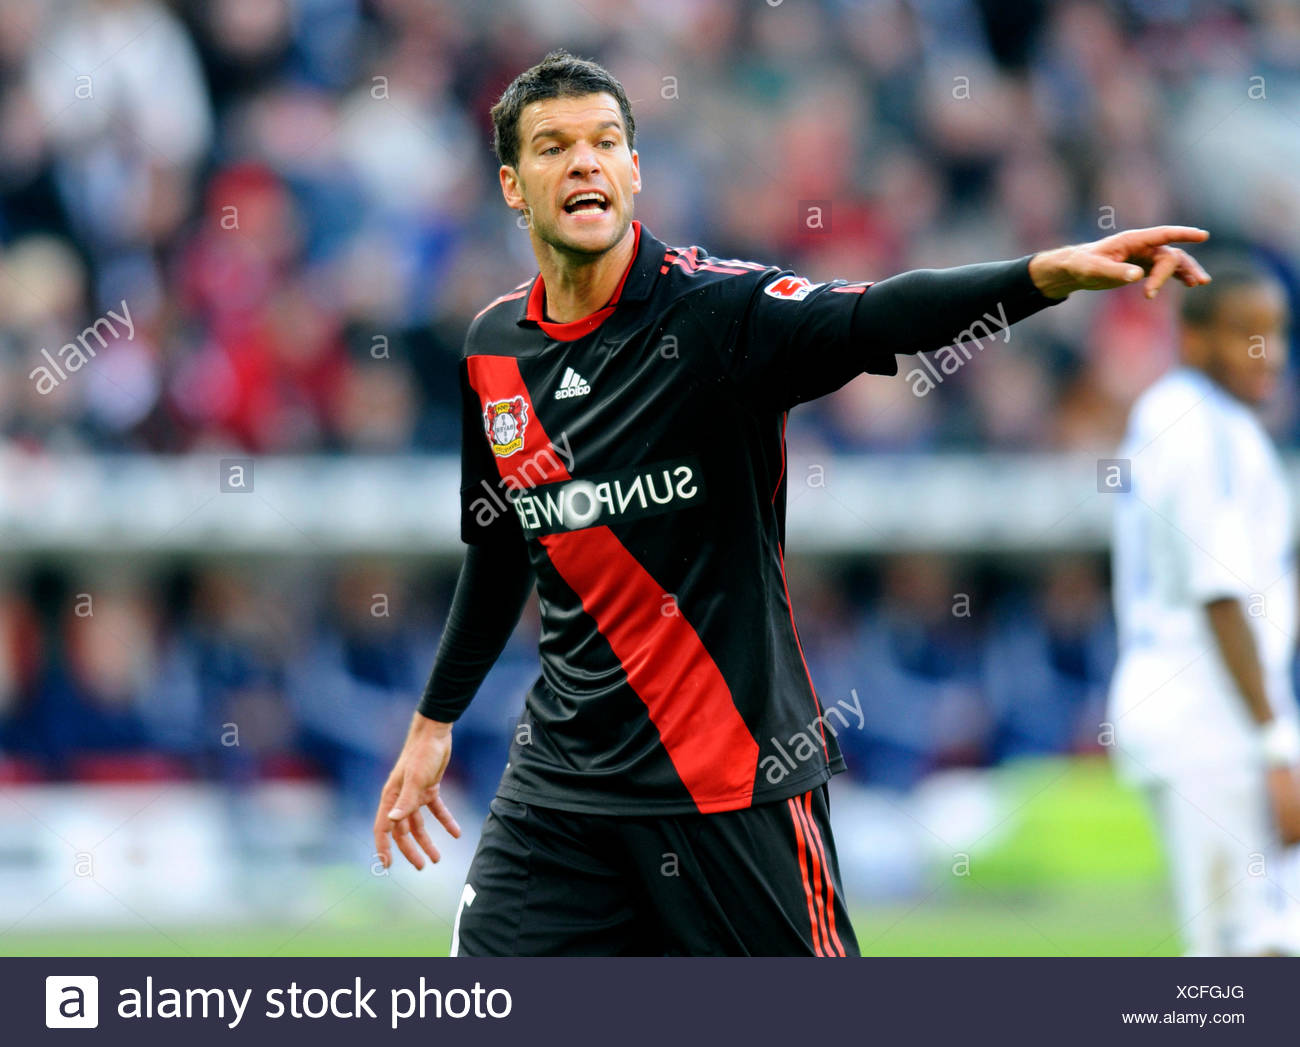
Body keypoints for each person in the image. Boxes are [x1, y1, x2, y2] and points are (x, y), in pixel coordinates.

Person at [374, 49, 1210, 956]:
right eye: (554, 147)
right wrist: (433, 723)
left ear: (634, 170)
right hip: (562, 792)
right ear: (512, 184)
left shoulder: (718, 313)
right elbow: (502, 550)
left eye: (606, 142)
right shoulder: (494, 348)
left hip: (731, 783)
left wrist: (1041, 274)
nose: (585, 162)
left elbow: (879, 316)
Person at [1108, 252, 1300, 956]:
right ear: (1194, 338)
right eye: (1245, 332)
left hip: (1215, 713)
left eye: (1275, 332)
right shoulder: (1197, 426)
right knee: (1241, 956)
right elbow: (1219, 593)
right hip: (1208, 717)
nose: (1267, 353)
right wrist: (1275, 744)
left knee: (1268, 941)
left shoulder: (1210, 424)